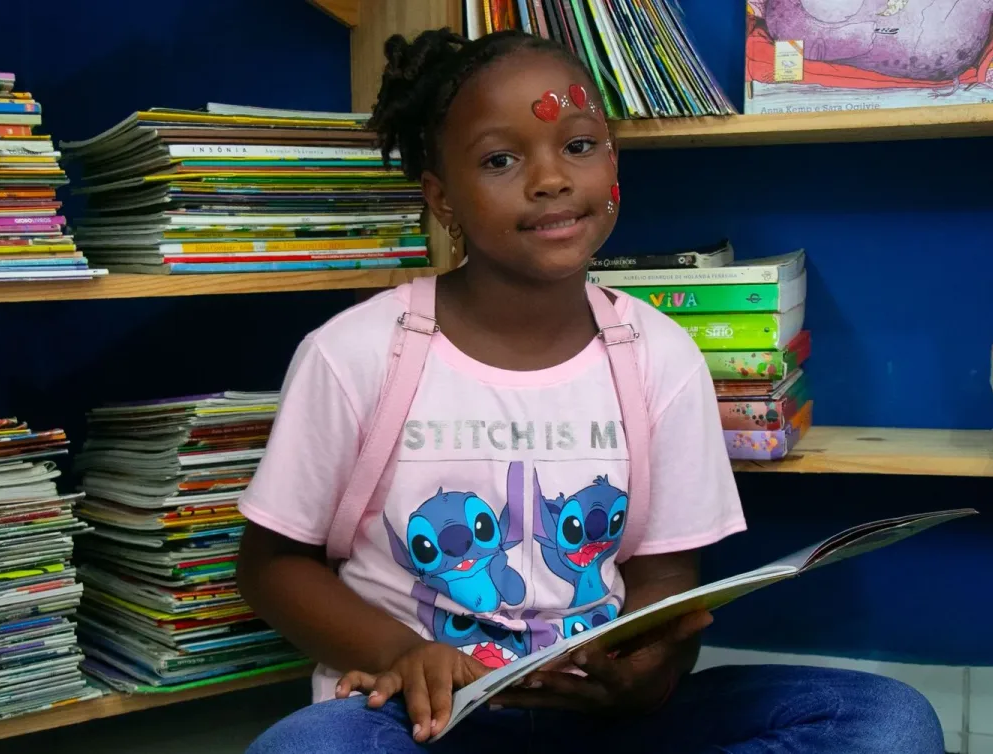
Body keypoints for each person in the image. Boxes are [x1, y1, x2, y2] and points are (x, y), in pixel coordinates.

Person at [236, 27, 944, 754]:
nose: (550, 180)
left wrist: (649, 673)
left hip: (599, 722)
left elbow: (667, 577)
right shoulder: (353, 353)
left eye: (578, 146)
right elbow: (269, 565)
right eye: (501, 159)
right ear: (441, 197)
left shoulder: (659, 356)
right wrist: (399, 655)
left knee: (886, 723)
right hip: (423, 724)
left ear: (613, 162)